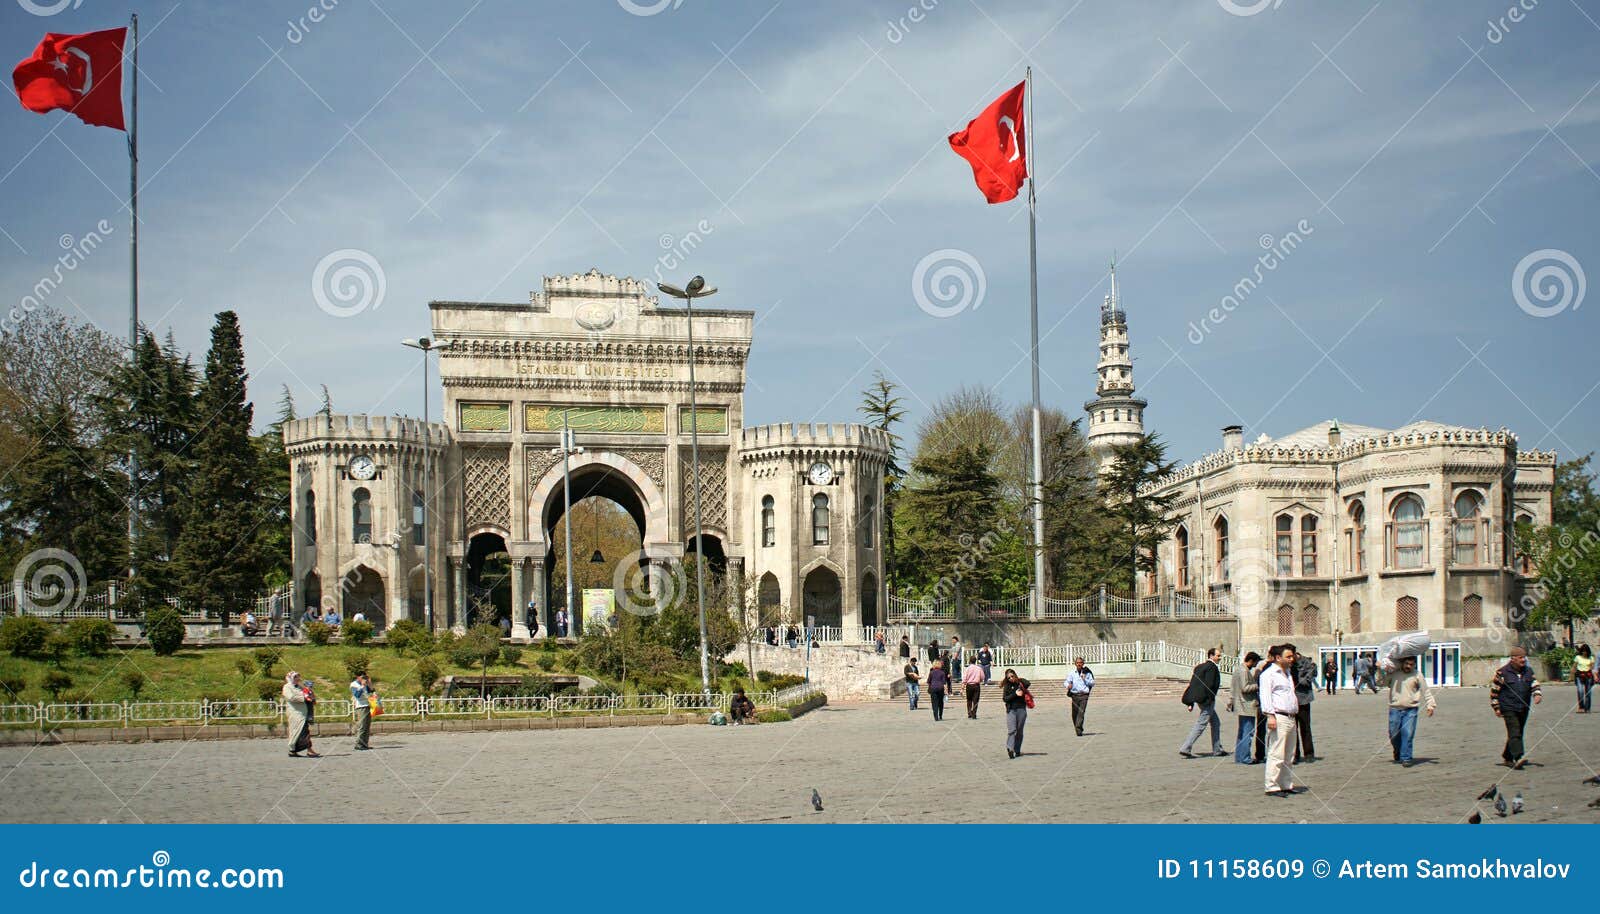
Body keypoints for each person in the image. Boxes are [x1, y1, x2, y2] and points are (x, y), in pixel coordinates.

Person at [1490, 646, 1543, 769]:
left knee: (1518, 732)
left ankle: (1507, 756)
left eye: (1524, 657)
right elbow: (1494, 691)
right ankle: (1518, 757)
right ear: (1513, 659)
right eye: (1520, 658)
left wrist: (1537, 694)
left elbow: (1534, 684)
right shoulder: (1502, 673)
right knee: (1514, 731)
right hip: (1508, 707)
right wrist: (1496, 707)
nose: (1523, 660)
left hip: (1523, 707)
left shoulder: (1528, 671)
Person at [1259, 644, 1300, 796]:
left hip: (1291, 716)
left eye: (1292, 656)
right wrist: (1270, 715)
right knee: (1276, 752)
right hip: (1278, 716)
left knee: (1289, 753)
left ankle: (1286, 783)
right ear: (1278, 658)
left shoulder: (1287, 673)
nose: (1291, 659)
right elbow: (1266, 696)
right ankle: (1272, 785)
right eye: (1288, 657)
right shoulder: (1268, 674)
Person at [1384, 655, 1435, 766]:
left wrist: (1430, 705)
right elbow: (1381, 683)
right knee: (1393, 734)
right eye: (1406, 663)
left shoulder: (1417, 674)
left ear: (1414, 665)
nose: (1408, 666)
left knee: (1408, 733)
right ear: (1402, 663)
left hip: (1411, 709)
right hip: (1395, 709)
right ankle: (1397, 750)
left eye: (1411, 664)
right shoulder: (1394, 673)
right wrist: (1381, 670)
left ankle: (1406, 757)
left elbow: (1425, 690)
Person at [1179, 647, 1225, 758]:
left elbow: (1193, 685)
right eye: (1218, 656)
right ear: (1211, 656)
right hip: (1207, 700)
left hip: (1200, 699)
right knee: (1201, 724)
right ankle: (1186, 747)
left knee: (1215, 722)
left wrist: (1191, 702)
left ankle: (1217, 748)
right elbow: (1209, 685)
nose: (1220, 658)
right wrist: (1210, 699)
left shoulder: (1200, 667)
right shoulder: (1212, 668)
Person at [1229, 651, 1262, 764]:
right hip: (1247, 705)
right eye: (1255, 663)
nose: (1255, 665)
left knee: (1242, 732)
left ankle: (1239, 757)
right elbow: (1245, 688)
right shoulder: (1244, 671)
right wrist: (1258, 685)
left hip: (1240, 704)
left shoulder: (1238, 669)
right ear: (1251, 660)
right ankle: (1245, 757)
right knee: (1248, 732)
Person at [283, 671, 319, 758]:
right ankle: (305, 750)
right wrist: (304, 698)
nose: (298, 679)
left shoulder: (300, 687)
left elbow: (308, 694)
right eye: (295, 677)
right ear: (291, 678)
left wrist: (310, 694)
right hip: (295, 713)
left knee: (304, 731)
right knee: (298, 731)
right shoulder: (287, 687)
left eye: (298, 677)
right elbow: (290, 697)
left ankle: (295, 750)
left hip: (303, 712)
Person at [1291, 648, 1318, 763]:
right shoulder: (1287, 665)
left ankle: (1309, 753)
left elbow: (1308, 680)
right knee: (1293, 729)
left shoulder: (1307, 662)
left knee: (1305, 727)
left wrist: (1295, 679)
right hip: (1291, 701)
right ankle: (1295, 754)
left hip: (1304, 699)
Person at [1001, 669, 1031, 758]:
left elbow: (1028, 683)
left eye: (1012, 676)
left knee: (1019, 731)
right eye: (1009, 677)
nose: (1011, 678)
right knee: (1012, 730)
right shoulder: (1007, 686)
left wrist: (1019, 680)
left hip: (1021, 709)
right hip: (1011, 711)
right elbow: (1005, 699)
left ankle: (1017, 749)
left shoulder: (1020, 683)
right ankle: (1010, 748)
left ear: (1015, 675)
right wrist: (1015, 694)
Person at [1064, 656, 1094, 736]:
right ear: (1075, 664)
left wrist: (1085, 679)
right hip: (1075, 695)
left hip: (1084, 695)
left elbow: (1092, 683)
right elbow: (1066, 682)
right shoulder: (1072, 673)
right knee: (1075, 713)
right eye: (1077, 663)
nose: (1079, 664)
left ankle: (1078, 728)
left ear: (1083, 664)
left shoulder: (1087, 673)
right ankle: (1078, 727)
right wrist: (1068, 685)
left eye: (1080, 663)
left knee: (1081, 712)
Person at [350, 672, 376, 751]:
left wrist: (370, 683)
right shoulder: (353, 684)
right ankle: (358, 744)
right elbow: (357, 695)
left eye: (365, 677)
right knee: (362, 726)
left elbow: (371, 691)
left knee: (367, 726)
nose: (364, 678)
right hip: (360, 706)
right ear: (358, 677)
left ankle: (365, 744)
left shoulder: (365, 683)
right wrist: (363, 685)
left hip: (368, 705)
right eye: (362, 677)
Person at [962, 654, 985, 719]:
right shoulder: (979, 668)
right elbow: (983, 677)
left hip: (969, 685)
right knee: (975, 700)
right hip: (976, 685)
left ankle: (969, 713)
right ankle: (974, 714)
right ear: (975, 661)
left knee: (969, 700)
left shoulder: (968, 669)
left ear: (970, 661)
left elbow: (964, 678)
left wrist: (963, 686)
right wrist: (979, 680)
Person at [1574, 644, 1594, 713]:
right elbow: (1574, 667)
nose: (1584, 652)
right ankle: (1581, 707)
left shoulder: (1591, 658)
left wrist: (1594, 675)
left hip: (1588, 676)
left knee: (1588, 692)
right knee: (1580, 691)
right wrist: (1571, 676)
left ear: (1588, 651)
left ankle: (1587, 708)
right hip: (1579, 676)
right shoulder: (1577, 657)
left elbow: (1592, 667)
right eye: (1583, 651)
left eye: (1585, 651)